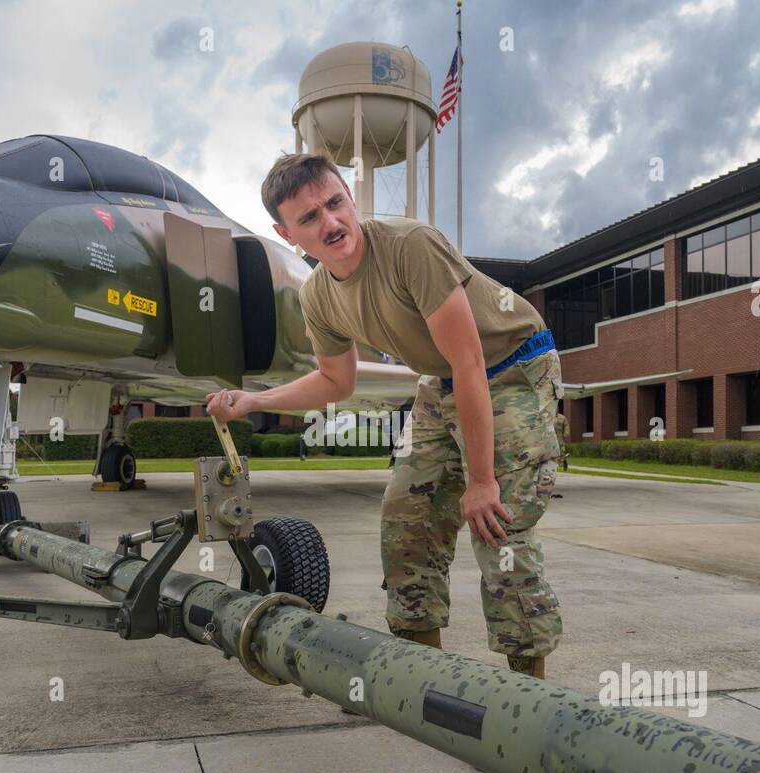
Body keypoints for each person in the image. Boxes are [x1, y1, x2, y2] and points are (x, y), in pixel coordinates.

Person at [206, 153, 563, 678]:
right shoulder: (319, 296)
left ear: (350, 196)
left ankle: (529, 692)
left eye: (334, 204)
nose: (330, 223)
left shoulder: (410, 247)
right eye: (309, 218)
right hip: (441, 381)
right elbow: (336, 381)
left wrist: (481, 480)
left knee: (498, 527)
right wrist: (254, 401)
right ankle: (421, 677)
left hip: (512, 367)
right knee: (406, 522)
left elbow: (470, 361)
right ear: (287, 233)